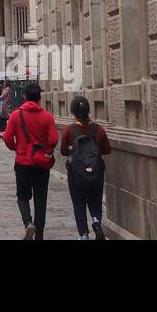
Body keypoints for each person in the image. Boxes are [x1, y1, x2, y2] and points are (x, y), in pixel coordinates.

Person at [2, 83, 59, 240]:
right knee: (41, 200)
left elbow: (7, 137)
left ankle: (28, 222)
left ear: (25, 97)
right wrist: (44, 148)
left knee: (22, 196)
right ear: (40, 98)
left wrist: (17, 148)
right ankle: (39, 234)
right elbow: (54, 139)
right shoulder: (47, 116)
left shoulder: (15, 115)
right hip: (41, 165)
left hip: (23, 163)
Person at [60, 95, 111, 240]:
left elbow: (63, 151)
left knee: (78, 203)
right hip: (96, 174)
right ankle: (96, 221)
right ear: (89, 110)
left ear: (73, 111)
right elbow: (107, 149)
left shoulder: (69, 130)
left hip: (76, 175)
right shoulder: (99, 130)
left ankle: (84, 234)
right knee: (95, 201)